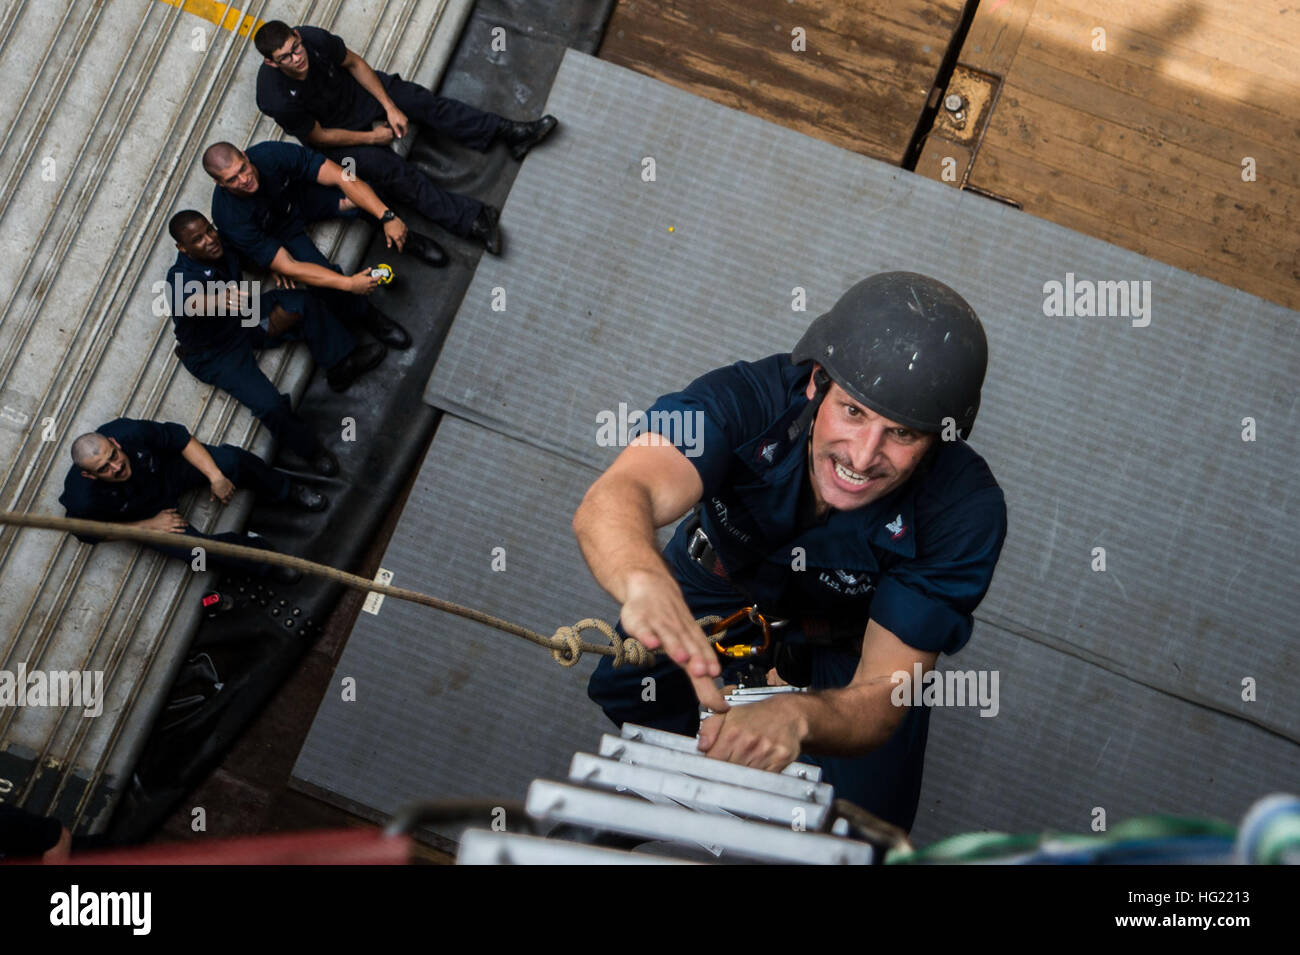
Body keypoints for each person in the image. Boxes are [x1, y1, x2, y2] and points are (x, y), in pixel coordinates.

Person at [574, 273, 1008, 831]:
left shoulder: (965, 509)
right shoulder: (743, 398)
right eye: (853, 411)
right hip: (719, 587)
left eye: (902, 434)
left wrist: (800, 715)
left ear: (940, 438)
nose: (864, 455)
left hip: (847, 640)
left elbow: (886, 689)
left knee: (864, 821)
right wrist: (640, 578)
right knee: (636, 696)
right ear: (815, 384)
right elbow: (616, 496)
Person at [253, 20, 558, 257]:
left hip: (357, 95)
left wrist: (390, 106)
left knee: (423, 102)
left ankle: (510, 133)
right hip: (338, 134)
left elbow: (355, 64)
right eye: (285, 57)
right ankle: (475, 221)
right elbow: (320, 135)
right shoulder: (275, 98)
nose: (296, 58)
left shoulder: (313, 39)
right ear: (271, 62)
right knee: (393, 172)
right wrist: (372, 138)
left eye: (296, 47)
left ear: (297, 35)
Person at [165, 209, 387, 477]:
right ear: (183, 248)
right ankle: (310, 452)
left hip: (241, 319)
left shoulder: (223, 243)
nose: (209, 239)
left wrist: (272, 266)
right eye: (198, 239)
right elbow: (188, 302)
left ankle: (341, 366)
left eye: (208, 230)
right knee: (270, 405)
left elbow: (253, 255)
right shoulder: (181, 278)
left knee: (302, 303)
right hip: (214, 352)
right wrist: (215, 300)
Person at [204, 140, 430, 351]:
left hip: (304, 200)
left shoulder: (269, 154)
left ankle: (407, 239)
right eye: (232, 179)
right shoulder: (228, 216)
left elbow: (341, 176)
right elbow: (290, 267)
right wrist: (347, 283)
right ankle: (367, 317)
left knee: (361, 191)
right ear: (219, 183)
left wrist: (387, 217)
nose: (243, 179)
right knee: (321, 279)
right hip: (280, 234)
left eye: (243, 168)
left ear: (245, 156)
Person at [60, 417, 327, 583]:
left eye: (113, 457)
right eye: (103, 469)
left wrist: (215, 477)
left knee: (231, 462)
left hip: (169, 473)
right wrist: (147, 526)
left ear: (115, 443)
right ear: (88, 474)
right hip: (145, 514)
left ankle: (286, 490)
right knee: (198, 553)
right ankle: (267, 561)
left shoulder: (129, 432)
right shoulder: (82, 497)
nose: (116, 468)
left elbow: (181, 439)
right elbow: (87, 532)